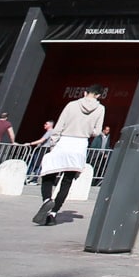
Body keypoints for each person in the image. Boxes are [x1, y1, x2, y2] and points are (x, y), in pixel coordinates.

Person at [33, 86, 106, 226]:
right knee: (67, 181)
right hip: (80, 145)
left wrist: (53, 143)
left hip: (64, 141)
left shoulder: (71, 105)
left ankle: (47, 200)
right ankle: (53, 214)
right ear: (98, 96)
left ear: (85, 93)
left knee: (48, 175)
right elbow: (97, 131)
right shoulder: (100, 109)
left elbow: (59, 125)